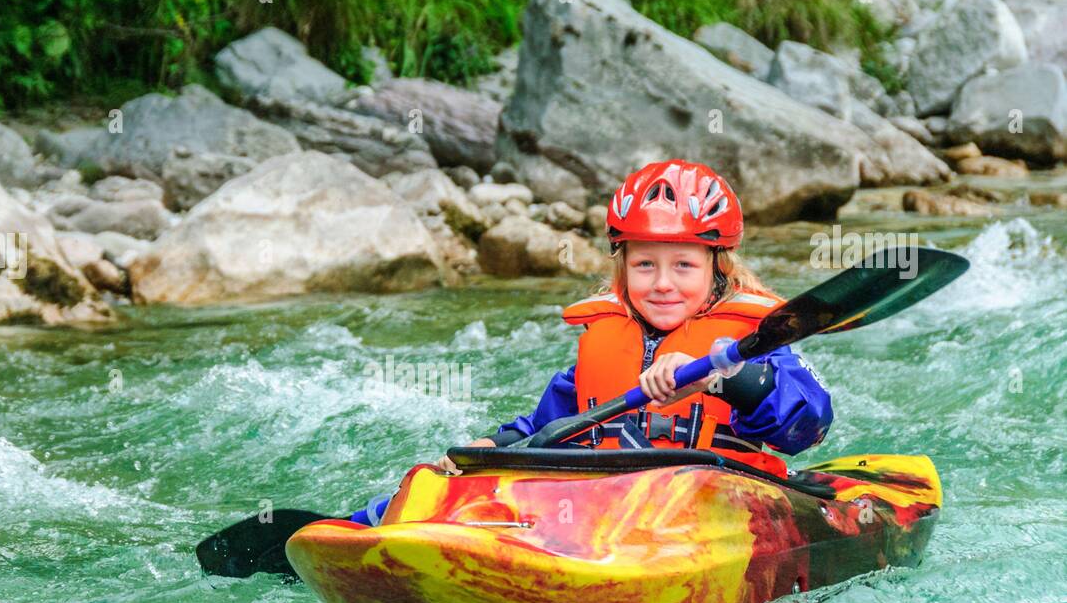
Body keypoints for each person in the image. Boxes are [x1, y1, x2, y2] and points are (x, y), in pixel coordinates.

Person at [349, 160, 833, 526]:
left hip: (713, 515)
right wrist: (487, 449)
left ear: (718, 268)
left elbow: (808, 427)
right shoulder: (606, 338)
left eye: (683, 265)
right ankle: (360, 527)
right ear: (623, 269)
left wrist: (723, 379)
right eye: (645, 265)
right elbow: (549, 428)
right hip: (609, 518)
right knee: (439, 487)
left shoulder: (755, 343)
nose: (662, 283)